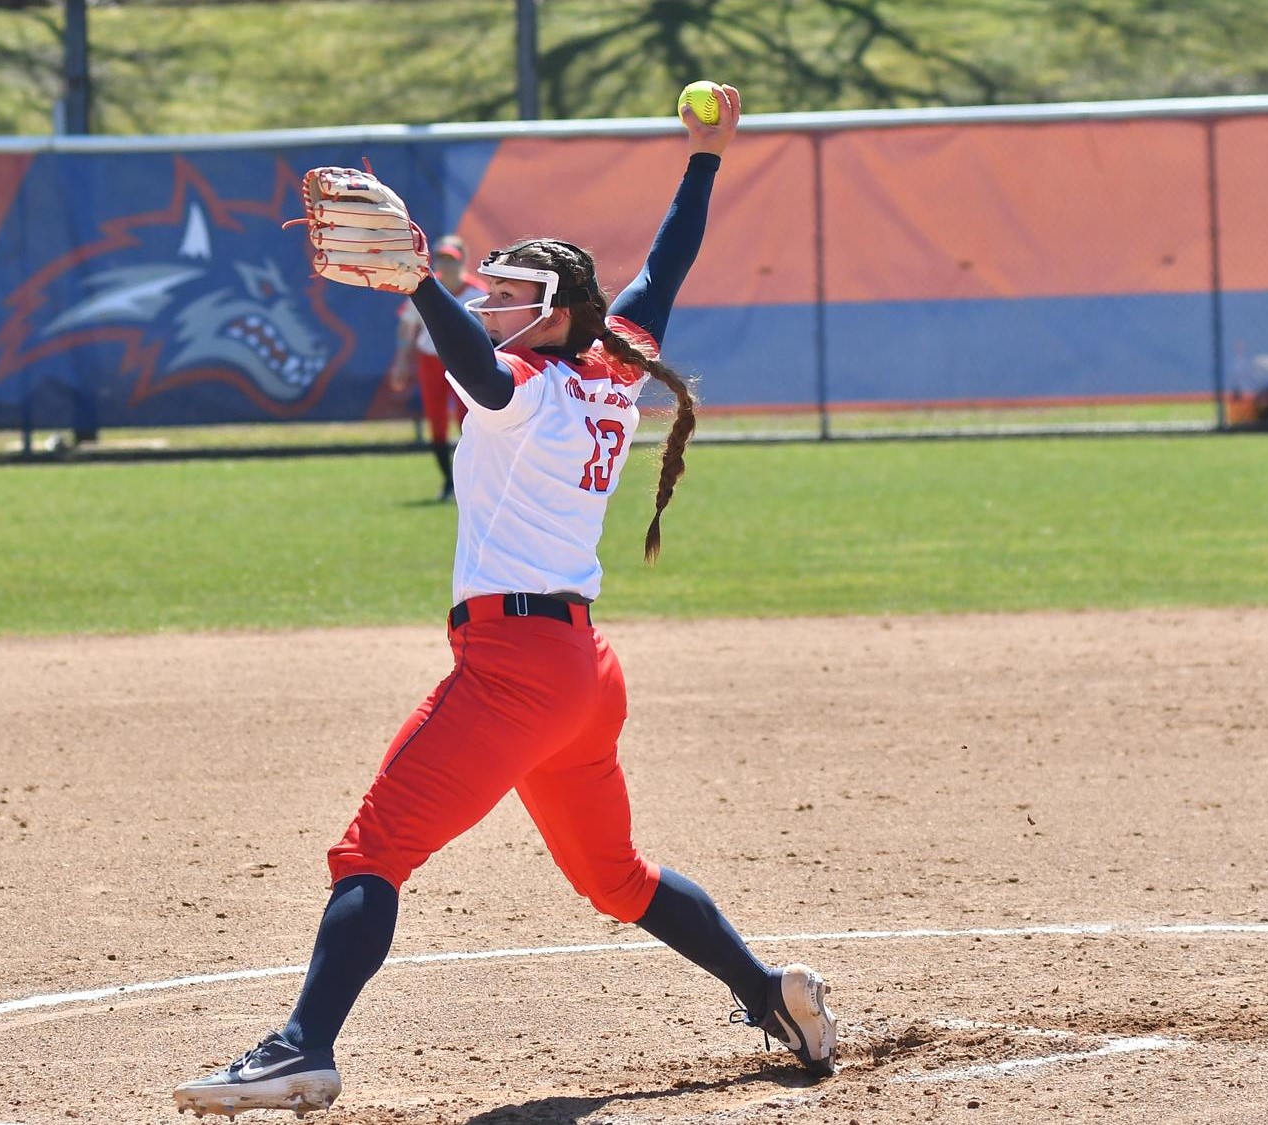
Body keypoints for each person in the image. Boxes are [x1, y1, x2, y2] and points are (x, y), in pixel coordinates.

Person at [173, 83, 837, 1120]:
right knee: (616, 879)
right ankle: (769, 995)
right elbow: (664, 267)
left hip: (515, 669)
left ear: (555, 311)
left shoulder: (525, 387)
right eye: (482, 294)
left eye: (506, 296)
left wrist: (420, 287)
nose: (487, 305)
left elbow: (482, 378)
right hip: (582, 674)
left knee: (371, 851)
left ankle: (301, 1049)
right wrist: (707, 156)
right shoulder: (612, 367)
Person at [386, 234, 481, 501]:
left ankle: (471, 481)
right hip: (431, 359)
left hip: (466, 362)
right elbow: (407, 326)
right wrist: (401, 361)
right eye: (441, 258)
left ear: (463, 260)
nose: (447, 265)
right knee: (436, 421)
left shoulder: (477, 293)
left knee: (468, 420)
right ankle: (448, 482)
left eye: (452, 259)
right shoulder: (424, 287)